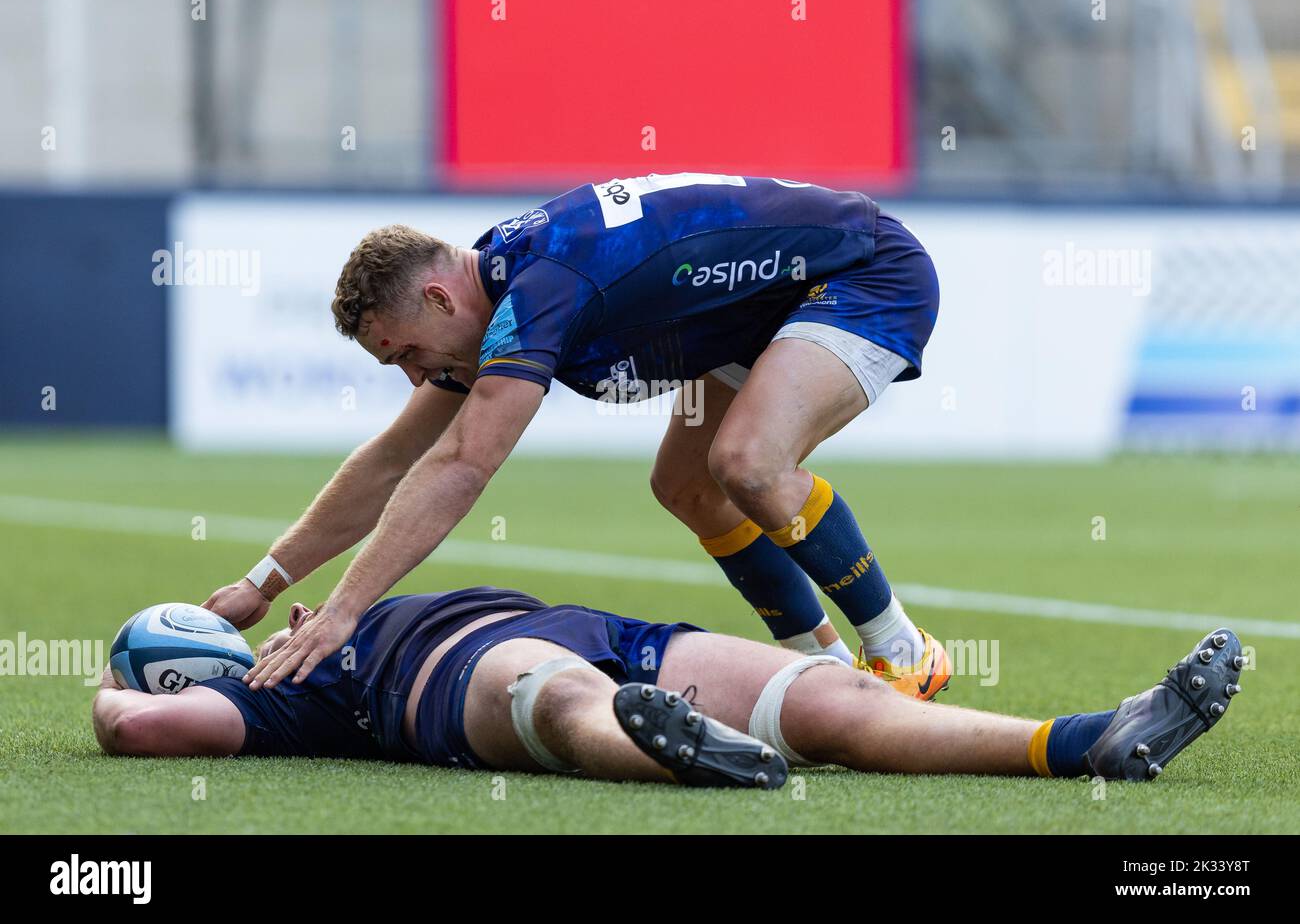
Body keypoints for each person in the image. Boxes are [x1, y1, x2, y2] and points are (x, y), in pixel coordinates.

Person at [204, 173, 951, 698]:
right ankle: (818, 667)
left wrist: (342, 613)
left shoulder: (539, 292)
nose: (413, 377)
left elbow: (462, 465)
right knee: (687, 485)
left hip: (863, 273)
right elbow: (394, 458)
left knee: (747, 461)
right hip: (753, 313)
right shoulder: (496, 288)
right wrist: (262, 583)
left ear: (437, 298)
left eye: (405, 353)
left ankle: (901, 653)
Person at [101, 586, 1245, 788]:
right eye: (235, 637)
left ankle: (1087, 738)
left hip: (612, 630)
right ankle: (675, 750)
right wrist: (113, 686)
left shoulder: (345, 614)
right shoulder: (297, 693)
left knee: (834, 702)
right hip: (448, 685)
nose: (285, 627)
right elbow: (149, 725)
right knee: (552, 699)